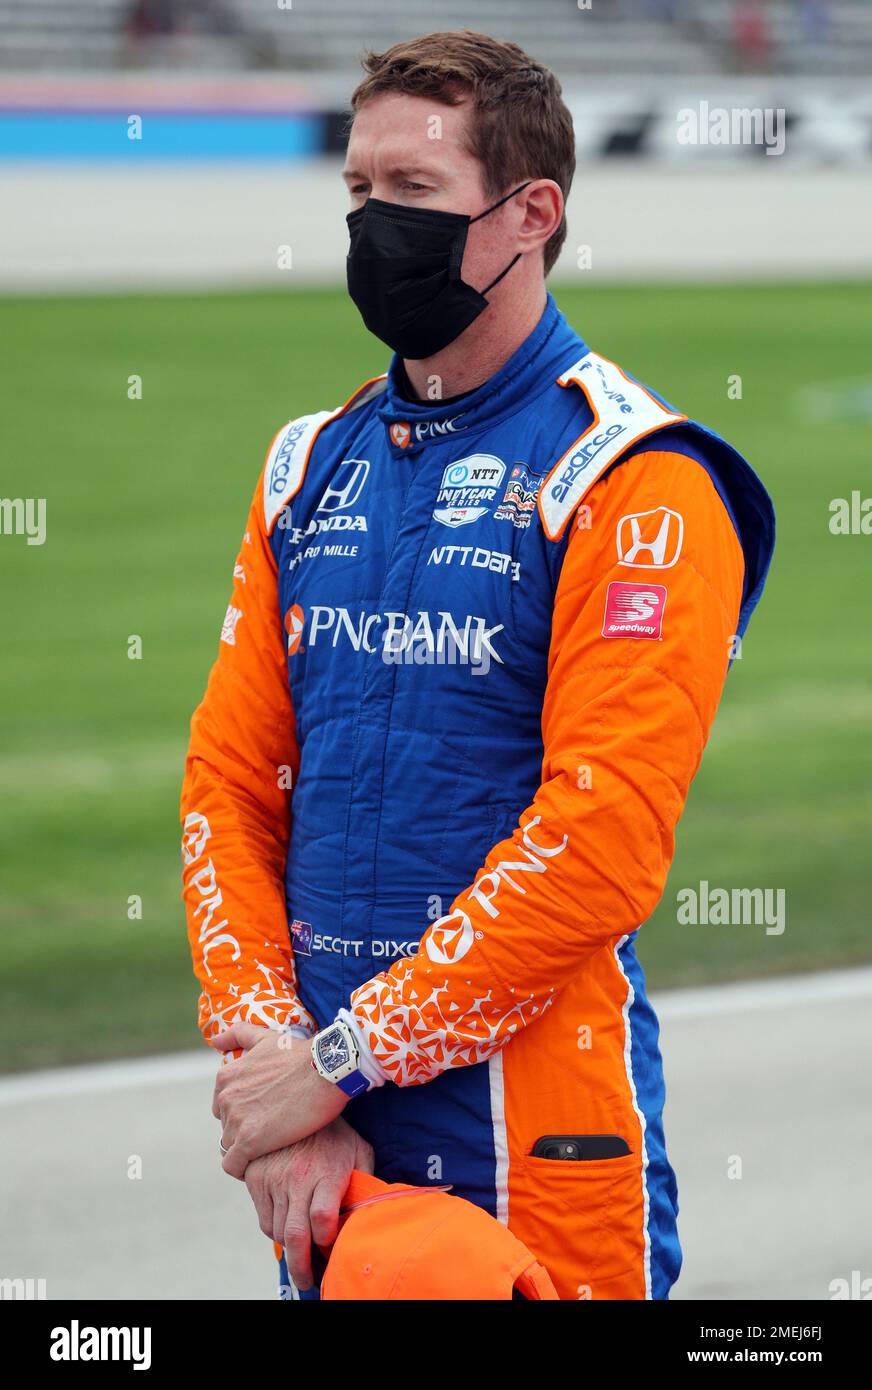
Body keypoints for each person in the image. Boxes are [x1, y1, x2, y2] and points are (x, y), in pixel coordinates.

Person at [181, 29, 775, 1301]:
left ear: (529, 213)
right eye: (355, 192)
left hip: (534, 1152)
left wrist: (335, 1060)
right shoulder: (305, 465)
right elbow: (226, 785)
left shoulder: (632, 475)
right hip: (327, 1154)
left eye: (410, 194)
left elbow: (600, 836)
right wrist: (278, 1071)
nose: (370, 224)